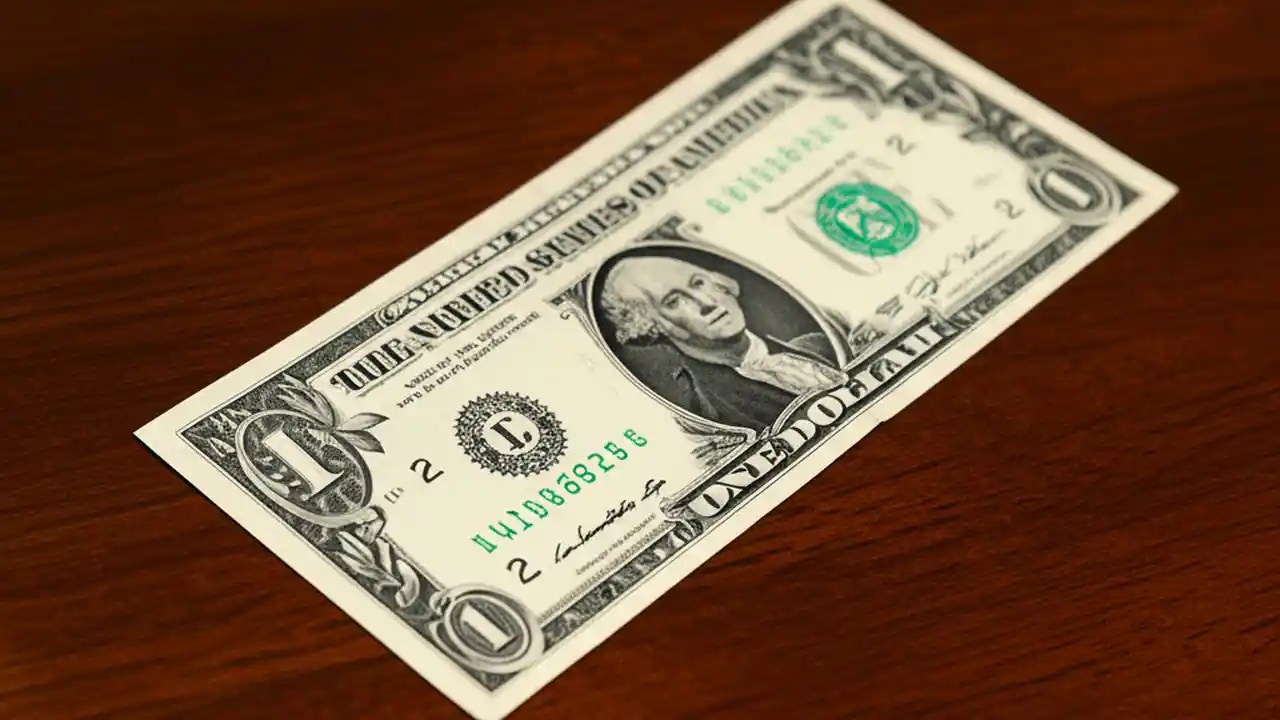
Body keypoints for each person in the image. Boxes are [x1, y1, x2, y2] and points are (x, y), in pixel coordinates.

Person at [599, 255, 843, 430]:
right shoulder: (713, 413)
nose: (706, 302)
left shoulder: (819, 345)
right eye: (673, 302)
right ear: (650, 327)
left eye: (698, 283)